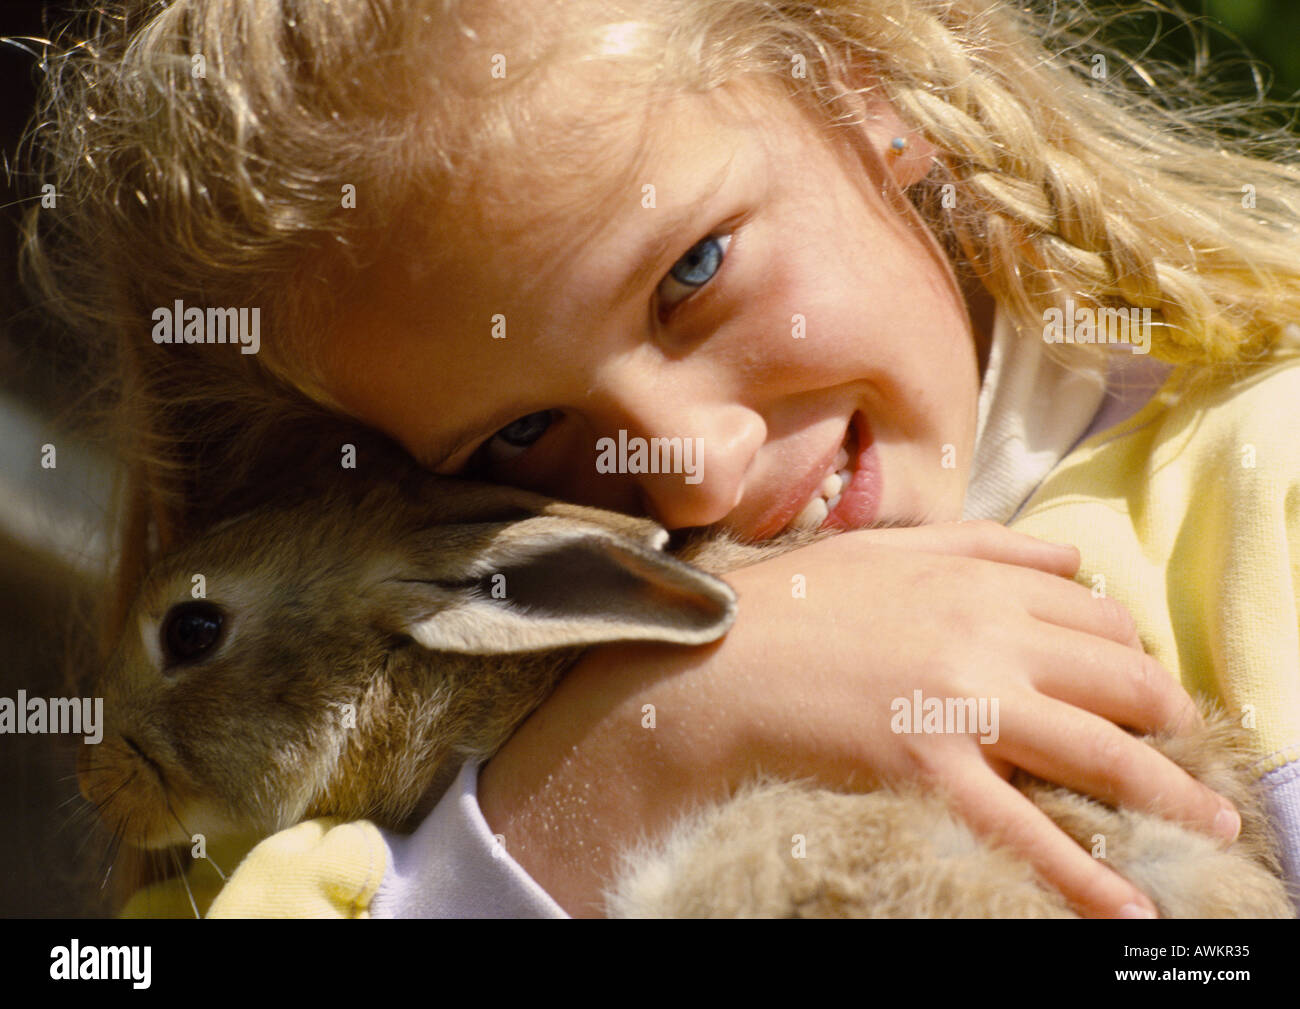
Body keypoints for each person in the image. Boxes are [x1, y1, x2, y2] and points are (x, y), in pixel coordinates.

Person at [22, 0, 1300, 918]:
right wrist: (619, 773)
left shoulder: (1261, 483)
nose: (695, 472)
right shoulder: (378, 822)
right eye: (520, 433)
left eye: (695, 270)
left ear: (867, 84)